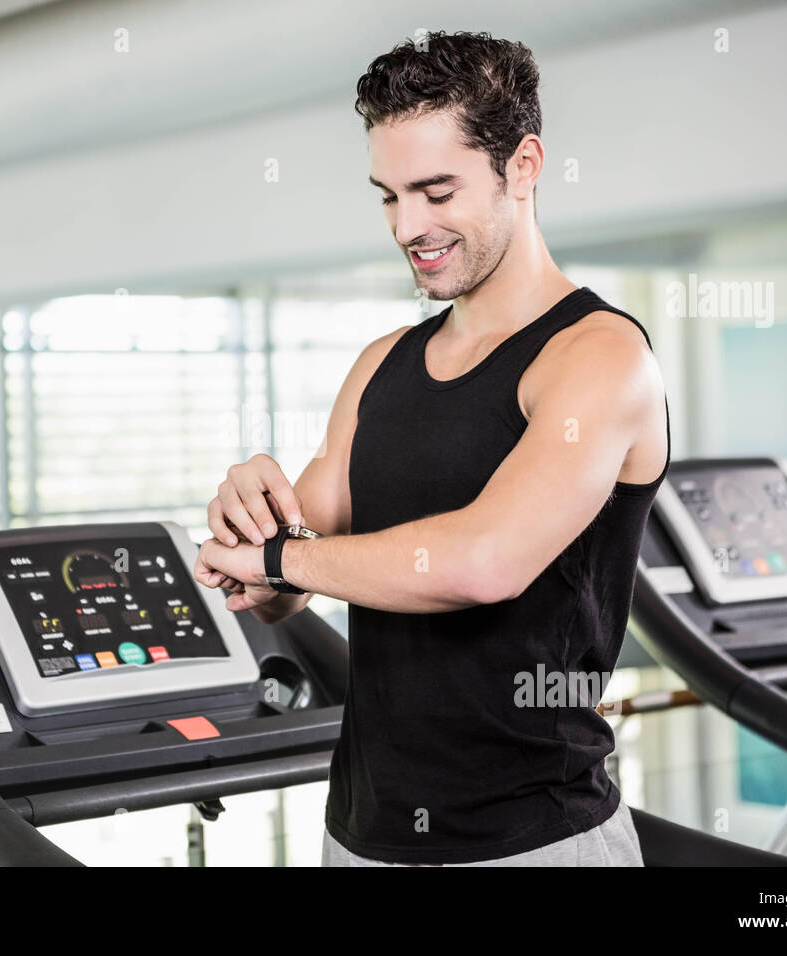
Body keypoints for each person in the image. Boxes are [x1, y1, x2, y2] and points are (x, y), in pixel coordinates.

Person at [192, 30, 669, 867]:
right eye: (388, 196)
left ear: (522, 166)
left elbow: (482, 563)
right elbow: (280, 592)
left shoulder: (597, 356)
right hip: (361, 834)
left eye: (436, 191)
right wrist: (251, 527)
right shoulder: (381, 365)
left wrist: (282, 557)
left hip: (537, 841)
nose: (409, 227)